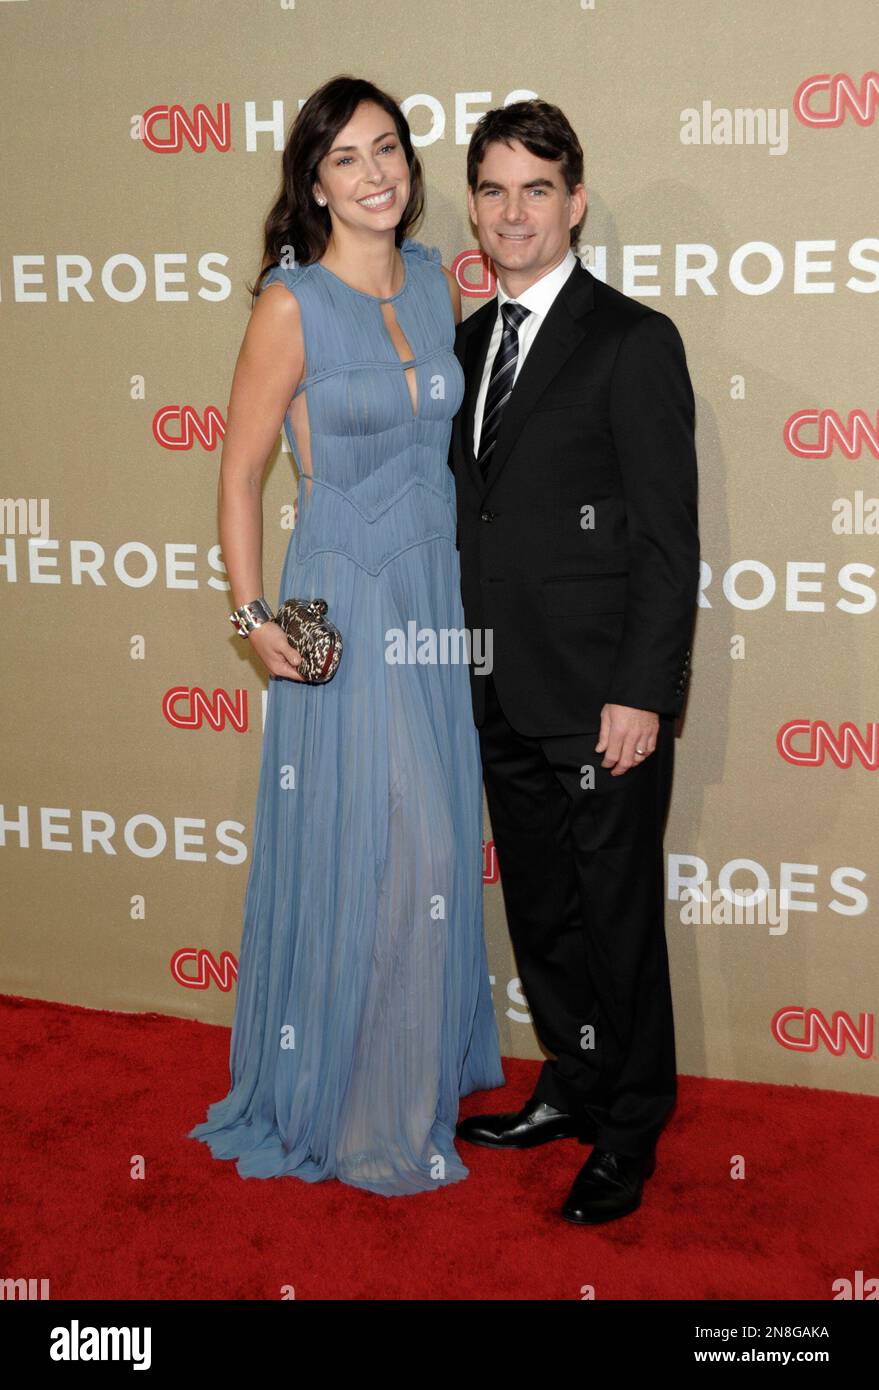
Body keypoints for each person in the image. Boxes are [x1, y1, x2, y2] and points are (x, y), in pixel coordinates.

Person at [188, 75, 504, 1197]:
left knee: (426, 844)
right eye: (347, 159)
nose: (375, 175)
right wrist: (249, 616)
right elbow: (237, 474)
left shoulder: (430, 282)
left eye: (389, 151)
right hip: (336, 594)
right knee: (378, 843)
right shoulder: (291, 303)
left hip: (432, 588)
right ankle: (351, 1100)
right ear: (313, 183)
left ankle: (409, 1069)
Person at [449, 99, 700, 1224]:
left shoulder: (634, 341)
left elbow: (664, 537)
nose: (515, 211)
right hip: (496, 685)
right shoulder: (466, 343)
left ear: (576, 201)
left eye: (537, 188)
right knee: (544, 910)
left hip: (602, 700)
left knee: (614, 914)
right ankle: (577, 1075)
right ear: (473, 205)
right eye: (495, 189)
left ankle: (634, 1122)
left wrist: (644, 690)